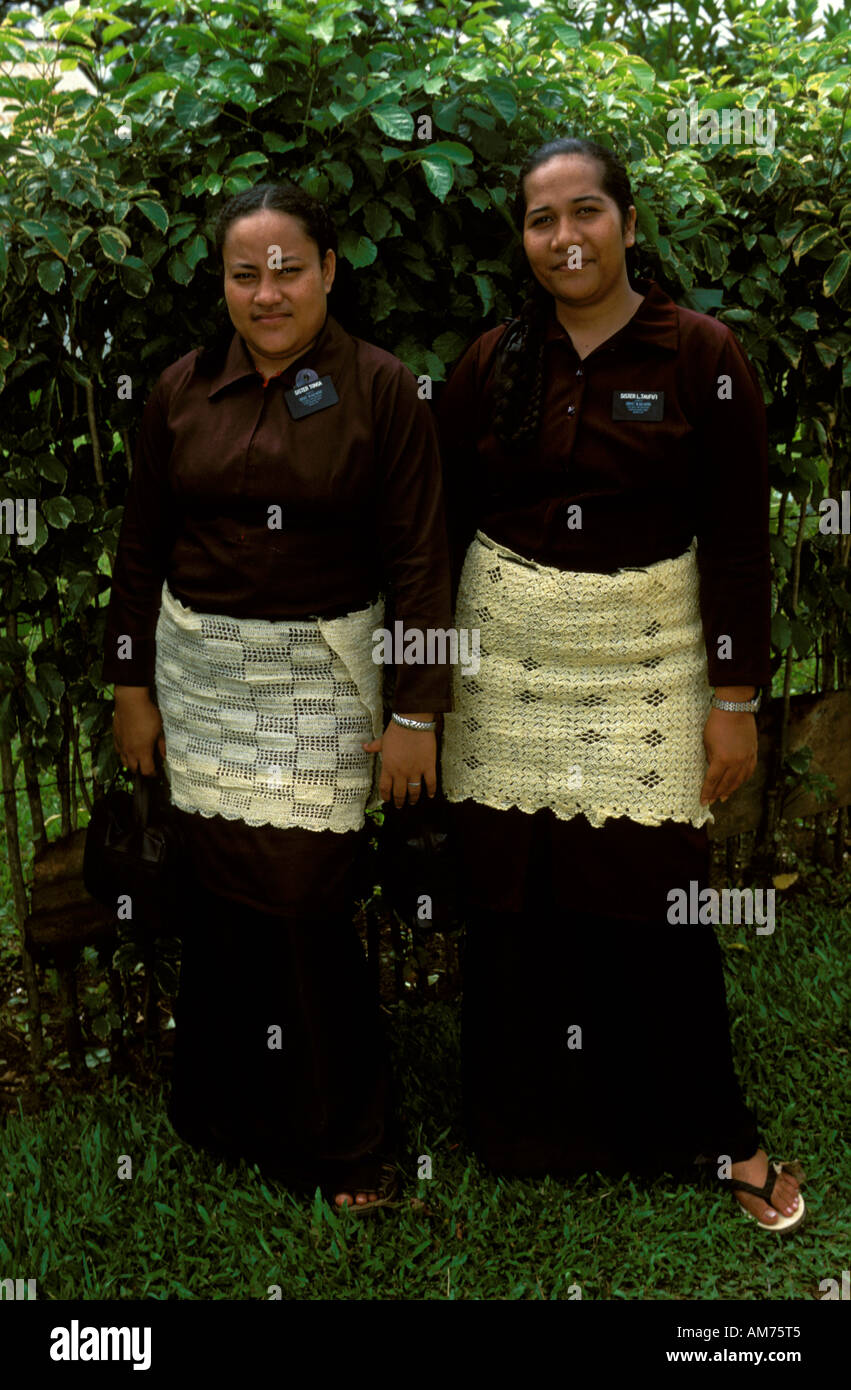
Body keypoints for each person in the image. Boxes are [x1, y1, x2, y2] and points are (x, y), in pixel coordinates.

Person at [434, 137, 806, 1233]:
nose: (565, 237)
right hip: (503, 664)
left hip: (648, 663)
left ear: (629, 223)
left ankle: (717, 1131)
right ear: (524, 241)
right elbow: (435, 528)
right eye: (541, 220)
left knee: (656, 897)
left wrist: (732, 698)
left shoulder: (702, 355)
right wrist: (421, 688)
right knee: (517, 896)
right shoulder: (488, 360)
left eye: (585, 210)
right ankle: (532, 1123)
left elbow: (738, 540)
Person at [102, 180, 453, 1211]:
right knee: (217, 910)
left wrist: (415, 712)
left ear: (330, 271)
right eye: (244, 274)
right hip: (200, 688)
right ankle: (226, 1114)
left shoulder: (383, 390)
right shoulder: (178, 390)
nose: (266, 293)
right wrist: (132, 683)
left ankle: (349, 1144)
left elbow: (420, 559)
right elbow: (140, 546)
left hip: (319, 686)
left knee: (304, 904)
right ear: (220, 283)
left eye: (288, 269)